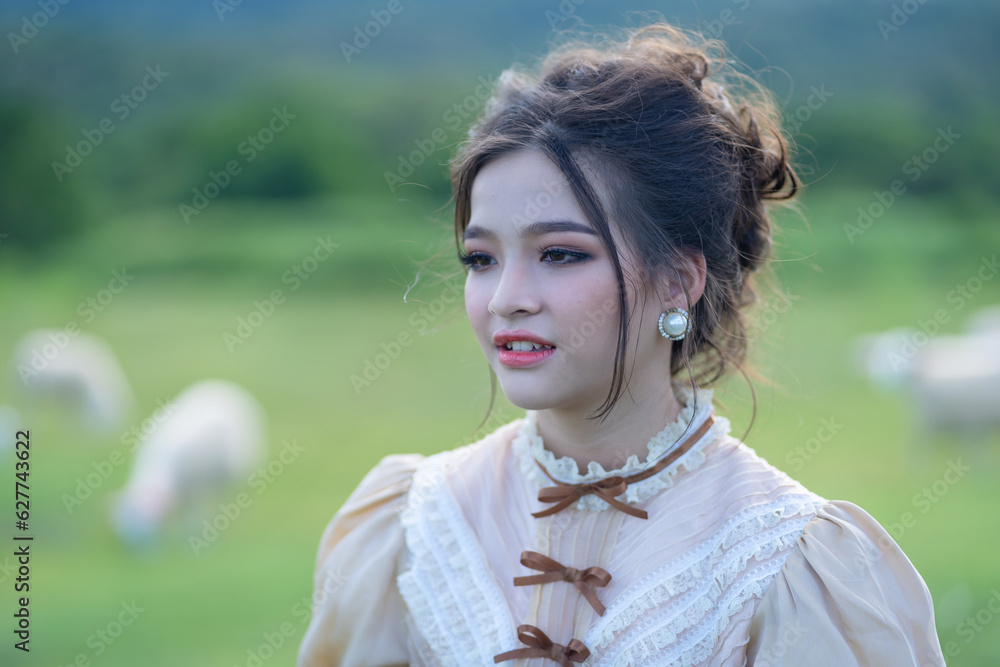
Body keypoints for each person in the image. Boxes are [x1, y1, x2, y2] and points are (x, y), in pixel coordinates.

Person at [297, 22, 946, 666]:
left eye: (560, 253)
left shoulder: (793, 563)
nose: (506, 298)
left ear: (677, 280)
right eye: (481, 258)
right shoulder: (413, 525)